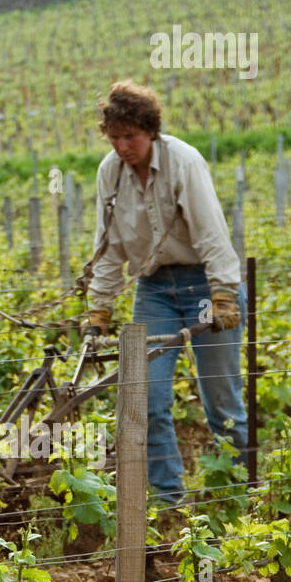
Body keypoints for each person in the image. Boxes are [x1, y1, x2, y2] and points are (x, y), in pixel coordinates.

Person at [82, 80, 248, 505]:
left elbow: (211, 232)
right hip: (153, 289)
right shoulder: (110, 172)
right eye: (114, 137)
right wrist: (99, 308)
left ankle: (233, 499)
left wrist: (224, 293)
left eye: (129, 136)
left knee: (222, 403)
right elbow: (107, 245)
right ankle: (170, 500)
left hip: (202, 285)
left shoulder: (184, 162)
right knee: (145, 398)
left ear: (151, 130)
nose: (121, 146)